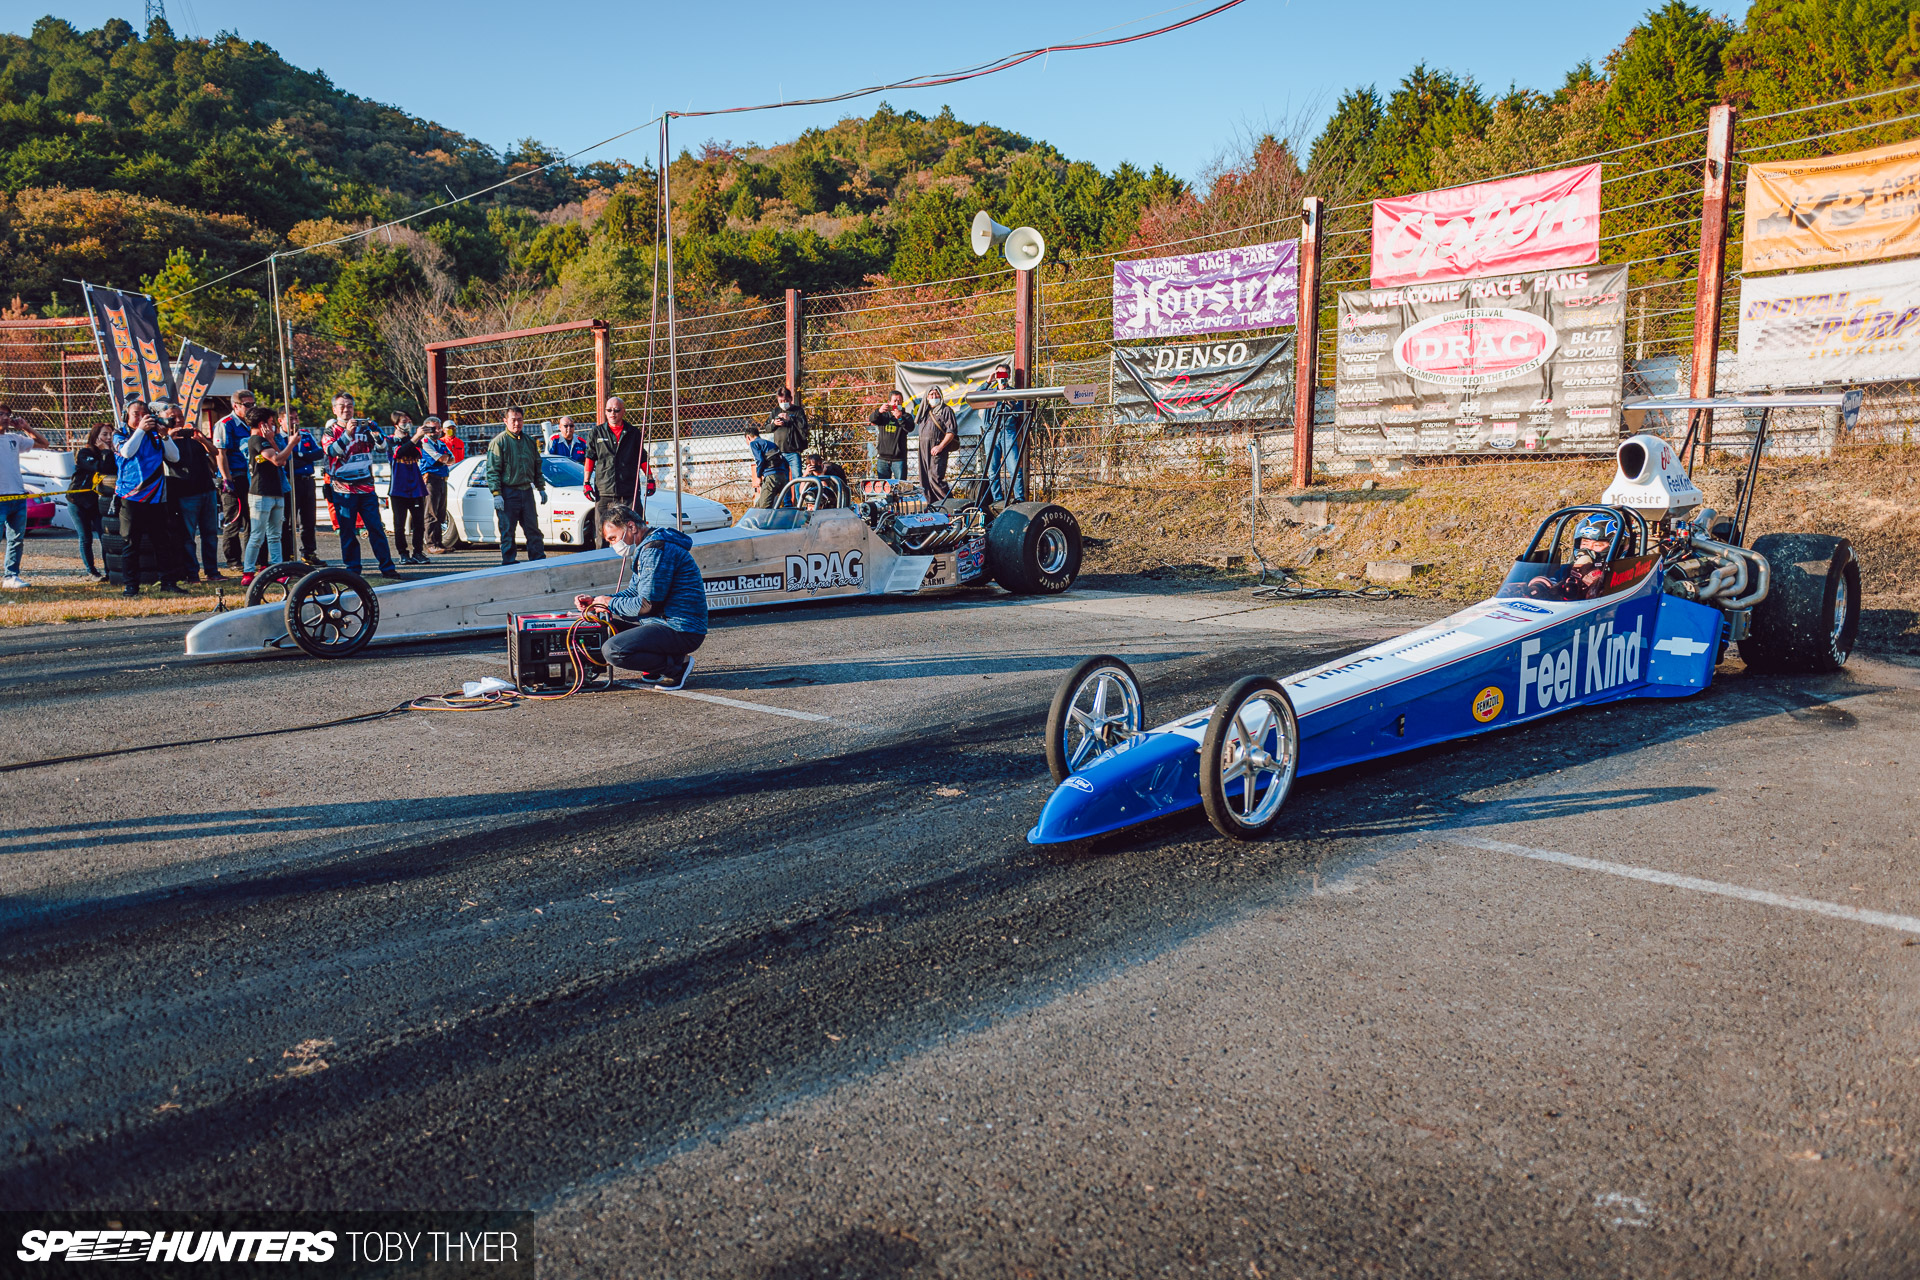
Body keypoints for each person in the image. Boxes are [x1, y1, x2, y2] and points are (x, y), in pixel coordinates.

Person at [576, 503, 705, 689]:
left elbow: (647, 604)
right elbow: (634, 592)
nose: (613, 545)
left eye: (613, 538)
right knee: (599, 627)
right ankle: (655, 665)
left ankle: (675, 666)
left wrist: (610, 603)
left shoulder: (655, 550)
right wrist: (599, 602)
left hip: (681, 628)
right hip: (661, 623)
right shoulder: (647, 547)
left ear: (631, 527)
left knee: (614, 650)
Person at [322, 392, 400, 580]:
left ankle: (387, 568)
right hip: (343, 490)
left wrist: (376, 433)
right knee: (347, 531)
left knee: (376, 528)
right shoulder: (330, 431)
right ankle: (352, 570)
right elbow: (332, 450)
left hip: (366, 489)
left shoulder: (364, 429)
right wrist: (348, 433)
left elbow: (383, 448)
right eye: (342, 406)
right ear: (334, 409)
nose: (346, 409)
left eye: (349, 405)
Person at [113, 400, 186, 597]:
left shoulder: (155, 435)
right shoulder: (120, 434)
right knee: (131, 543)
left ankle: (168, 582)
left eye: (145, 413)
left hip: (157, 497)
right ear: (126, 416)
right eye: (136, 414)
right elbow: (127, 452)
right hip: (131, 497)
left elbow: (174, 458)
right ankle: (131, 585)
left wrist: (165, 437)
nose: (142, 417)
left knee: (162, 542)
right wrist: (140, 430)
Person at [165, 408, 224, 582]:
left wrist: (202, 440)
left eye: (180, 417)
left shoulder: (193, 437)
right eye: (172, 418)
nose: (177, 421)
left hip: (206, 489)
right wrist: (168, 437)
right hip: (184, 492)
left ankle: (212, 571)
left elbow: (215, 452)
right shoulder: (166, 441)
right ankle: (192, 573)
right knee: (188, 536)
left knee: (211, 533)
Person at [584, 395, 656, 535]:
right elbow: (590, 457)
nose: (612, 413)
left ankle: (638, 555)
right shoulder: (597, 432)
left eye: (616, 410)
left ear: (623, 411)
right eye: (609, 410)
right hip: (604, 490)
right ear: (605, 412)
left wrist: (650, 478)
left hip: (629, 490)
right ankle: (603, 557)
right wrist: (586, 482)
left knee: (637, 528)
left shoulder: (633, 432)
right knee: (602, 531)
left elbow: (642, 457)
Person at [487, 405, 546, 565]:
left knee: (533, 529)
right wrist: (496, 494)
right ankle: (509, 562)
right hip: (508, 493)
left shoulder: (529, 442)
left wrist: (541, 488)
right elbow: (492, 470)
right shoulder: (499, 442)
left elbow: (536, 466)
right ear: (505, 421)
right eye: (513, 420)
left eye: (520, 420)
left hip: (526, 491)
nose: (516, 423)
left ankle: (538, 560)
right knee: (507, 530)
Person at [0, 408, 50, 590]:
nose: (6, 418)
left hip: (17, 497)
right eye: (1, 414)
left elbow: (44, 443)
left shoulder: (14, 438)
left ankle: (11, 576)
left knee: (16, 539)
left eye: (8, 415)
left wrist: (26, 427)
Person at [241, 409, 293, 583]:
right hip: (261, 494)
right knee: (257, 534)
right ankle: (248, 571)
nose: (274, 426)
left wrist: (272, 440)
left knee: (275, 534)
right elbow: (277, 460)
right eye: (271, 422)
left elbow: (282, 460)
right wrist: (291, 444)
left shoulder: (267, 441)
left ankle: (277, 569)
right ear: (262, 424)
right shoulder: (256, 440)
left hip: (276, 492)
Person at [1528, 512, 1619, 602]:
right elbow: (1553, 580)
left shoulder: (1618, 575)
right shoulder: (1567, 570)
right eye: (1585, 544)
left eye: (1597, 545)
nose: (1588, 549)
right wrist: (1540, 587)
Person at [211, 390, 254, 571]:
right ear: (236, 406)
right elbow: (221, 454)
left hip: (250, 476)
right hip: (234, 477)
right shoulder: (226, 424)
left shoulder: (251, 424)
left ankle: (253, 558)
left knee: (252, 520)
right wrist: (227, 479)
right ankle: (233, 560)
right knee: (233, 520)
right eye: (247, 405)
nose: (251, 408)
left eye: (253, 404)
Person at [69, 422, 114, 580]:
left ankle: (111, 570)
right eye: (104, 435)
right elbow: (100, 468)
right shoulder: (84, 453)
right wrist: (105, 451)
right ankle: (91, 571)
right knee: (86, 537)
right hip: (78, 501)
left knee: (105, 536)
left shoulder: (110, 453)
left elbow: (111, 469)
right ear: (96, 437)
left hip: (98, 502)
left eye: (110, 434)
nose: (108, 438)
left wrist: (108, 452)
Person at [284, 409, 326, 566]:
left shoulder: (306, 435)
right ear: (281, 421)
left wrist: (301, 456)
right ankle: (288, 554)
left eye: (296, 418)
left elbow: (318, 453)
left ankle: (309, 552)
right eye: (290, 419)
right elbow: (287, 459)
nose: (295, 422)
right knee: (289, 521)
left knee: (309, 520)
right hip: (291, 481)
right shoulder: (280, 438)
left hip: (307, 480)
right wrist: (302, 457)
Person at [981, 364, 1028, 504]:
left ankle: (1019, 498)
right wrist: (988, 381)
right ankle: (997, 500)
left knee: (1014, 467)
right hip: (990, 430)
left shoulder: (1014, 392)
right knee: (992, 469)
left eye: (1004, 375)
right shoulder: (989, 391)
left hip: (1007, 430)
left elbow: (1020, 411)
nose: (1002, 378)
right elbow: (975, 396)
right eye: (999, 374)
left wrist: (1011, 403)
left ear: (1009, 376)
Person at [388, 439, 430, 565]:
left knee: (419, 523)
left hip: (416, 489)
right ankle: (403, 553)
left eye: (408, 421)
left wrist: (413, 440)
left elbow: (418, 453)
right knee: (399, 524)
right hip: (398, 489)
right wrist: (412, 441)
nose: (406, 424)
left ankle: (418, 552)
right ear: (396, 424)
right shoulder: (390, 440)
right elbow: (398, 452)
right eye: (403, 421)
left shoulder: (416, 439)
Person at [418, 416, 455, 553]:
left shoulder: (440, 444)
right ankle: (430, 543)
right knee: (431, 512)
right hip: (431, 479)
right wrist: (444, 458)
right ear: (426, 429)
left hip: (442, 479)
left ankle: (439, 542)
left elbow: (451, 458)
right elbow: (439, 459)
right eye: (433, 428)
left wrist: (444, 459)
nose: (437, 431)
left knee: (440, 512)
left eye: (438, 427)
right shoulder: (425, 443)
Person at [916, 386, 959, 503]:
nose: (934, 397)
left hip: (937, 448)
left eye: (937, 394)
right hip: (923, 449)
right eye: (931, 394)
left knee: (935, 478)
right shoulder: (924, 411)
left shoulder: (946, 410)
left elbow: (951, 432)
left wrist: (940, 446)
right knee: (924, 479)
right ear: (927, 397)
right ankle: (932, 507)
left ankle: (949, 505)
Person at [766, 387, 809, 485]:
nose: (783, 403)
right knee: (784, 480)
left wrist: (790, 419)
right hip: (780, 451)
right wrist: (774, 424)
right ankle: (786, 500)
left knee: (797, 478)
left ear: (790, 399)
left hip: (793, 451)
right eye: (781, 401)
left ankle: (799, 500)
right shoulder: (775, 411)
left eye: (785, 400)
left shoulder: (798, 411)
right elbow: (767, 428)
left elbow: (804, 427)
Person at [870, 390, 912, 481]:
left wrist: (900, 418)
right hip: (883, 458)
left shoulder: (906, 416)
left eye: (899, 401)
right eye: (895, 401)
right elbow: (872, 419)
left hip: (899, 459)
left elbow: (910, 428)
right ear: (889, 402)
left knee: (900, 487)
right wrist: (879, 411)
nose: (897, 403)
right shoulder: (884, 416)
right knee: (884, 488)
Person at [745, 423, 788, 509]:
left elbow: (760, 460)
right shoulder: (770, 443)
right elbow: (785, 461)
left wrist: (758, 476)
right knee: (760, 505)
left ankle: (764, 522)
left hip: (771, 477)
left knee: (764, 508)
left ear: (748, 438)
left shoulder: (754, 444)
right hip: (782, 476)